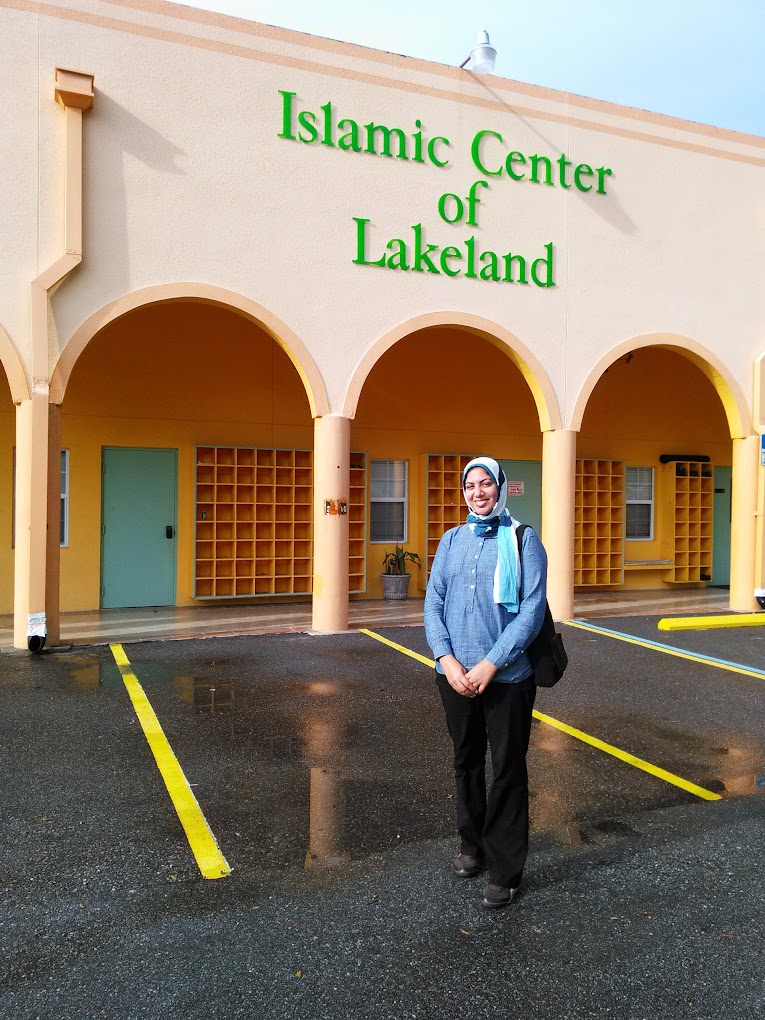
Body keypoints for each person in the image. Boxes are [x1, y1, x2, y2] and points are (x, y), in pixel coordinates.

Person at [424, 456, 547, 909]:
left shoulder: (523, 540)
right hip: (453, 675)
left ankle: (506, 868)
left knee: (508, 770)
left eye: (486, 484)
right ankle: (471, 845)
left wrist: (491, 665)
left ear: (500, 487)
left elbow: (531, 613)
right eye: (470, 485)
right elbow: (433, 601)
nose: (478, 493)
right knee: (466, 761)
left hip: (508, 677)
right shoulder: (451, 540)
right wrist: (447, 659)